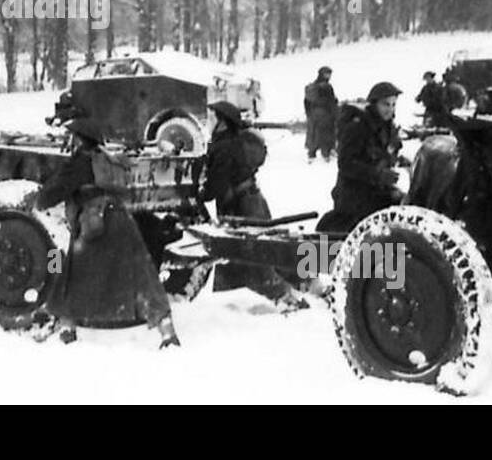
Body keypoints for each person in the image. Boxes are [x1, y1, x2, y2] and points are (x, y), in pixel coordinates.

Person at [34, 118, 181, 348]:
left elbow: (48, 196)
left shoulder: (80, 162)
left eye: (72, 136)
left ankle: (65, 328)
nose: (70, 140)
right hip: (122, 221)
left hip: (94, 224)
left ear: (79, 140)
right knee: (144, 278)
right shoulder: (108, 160)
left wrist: (38, 198)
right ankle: (167, 332)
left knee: (68, 274)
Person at [202, 101, 305, 306]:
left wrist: (200, 194)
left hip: (240, 207)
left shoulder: (224, 147)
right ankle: (303, 282)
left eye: (213, 118)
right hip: (254, 200)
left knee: (254, 257)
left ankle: (284, 297)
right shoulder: (237, 141)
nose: (209, 122)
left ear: (222, 122)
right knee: (271, 248)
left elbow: (215, 186)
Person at [317, 82, 406, 233]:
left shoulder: (388, 128)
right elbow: (346, 164)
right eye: (386, 104)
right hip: (354, 194)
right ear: (374, 104)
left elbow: (386, 153)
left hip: (377, 190)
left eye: (393, 105)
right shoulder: (358, 127)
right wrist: (378, 175)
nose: (390, 109)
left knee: (406, 205)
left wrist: (398, 161)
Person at [303, 66, 339, 161]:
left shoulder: (312, 86)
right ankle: (326, 154)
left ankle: (311, 153)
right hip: (325, 114)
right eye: (327, 74)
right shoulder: (327, 87)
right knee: (326, 134)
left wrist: (309, 113)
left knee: (314, 133)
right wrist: (335, 113)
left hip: (314, 114)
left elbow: (306, 102)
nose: (329, 76)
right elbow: (330, 102)